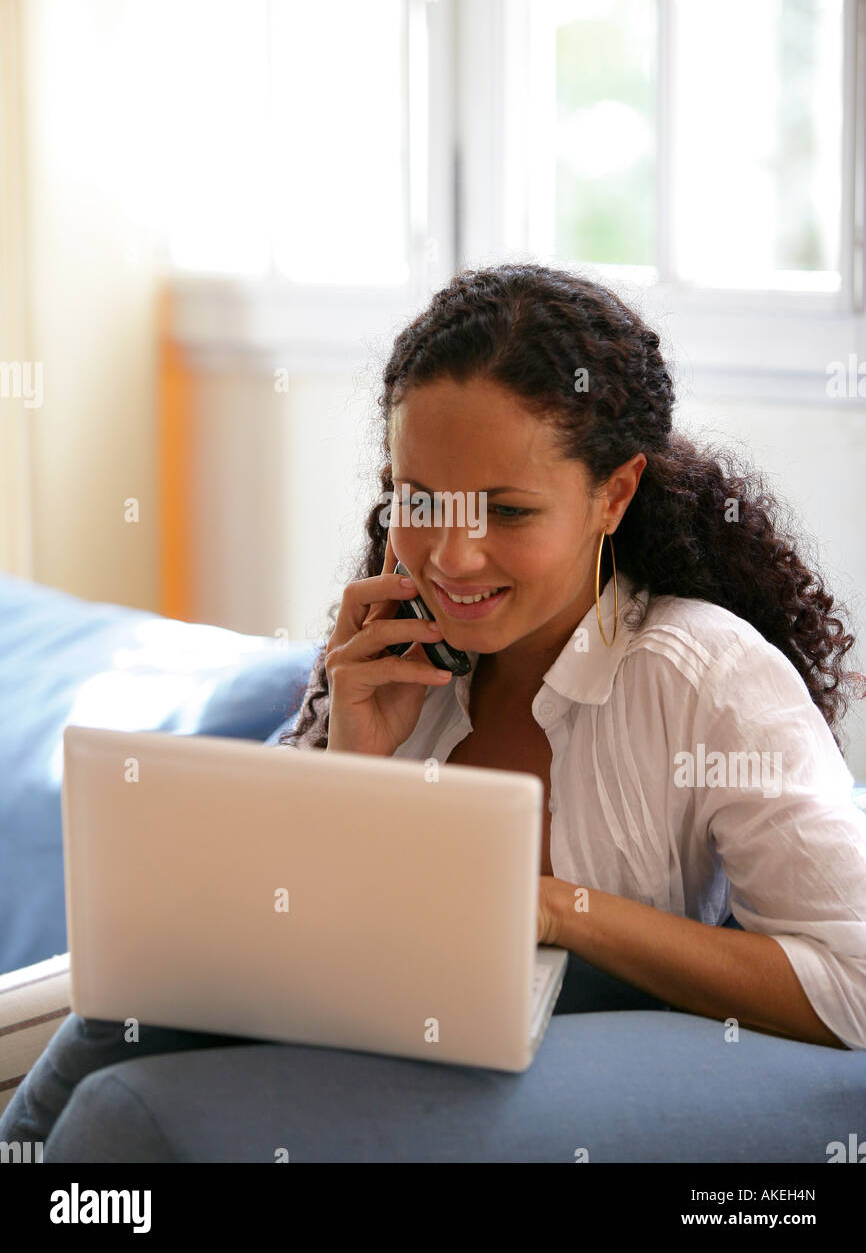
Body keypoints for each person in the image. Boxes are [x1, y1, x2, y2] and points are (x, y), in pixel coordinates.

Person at [3, 262, 865, 1160]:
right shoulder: (399, 659)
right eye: (421, 501)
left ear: (613, 494)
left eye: (508, 510)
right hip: (413, 1020)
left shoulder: (701, 671)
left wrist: (550, 908)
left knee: (129, 1109)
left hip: (605, 1040)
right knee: (123, 1019)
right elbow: (269, 930)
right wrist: (354, 760)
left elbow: (854, 978)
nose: (451, 556)